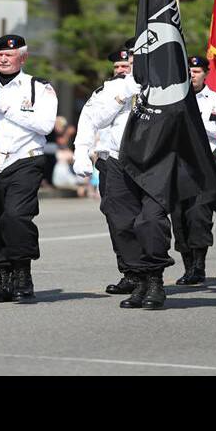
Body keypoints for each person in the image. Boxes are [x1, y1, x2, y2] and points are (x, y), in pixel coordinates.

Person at [0, 35, 58, 303]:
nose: (2, 59)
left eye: (8, 55)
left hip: (24, 160)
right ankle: (4, 278)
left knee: (15, 217)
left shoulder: (38, 87)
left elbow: (45, 125)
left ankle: (23, 272)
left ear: (22, 58)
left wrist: (4, 107)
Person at [74, 41, 137, 295]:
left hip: (149, 163)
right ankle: (130, 272)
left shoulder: (157, 84)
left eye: (128, 63)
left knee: (147, 220)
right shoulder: (107, 90)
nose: (123, 68)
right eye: (119, 65)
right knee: (118, 219)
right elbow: (91, 120)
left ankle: (148, 270)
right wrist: (123, 95)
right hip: (112, 160)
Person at [174, 56, 216, 285]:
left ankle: (199, 267)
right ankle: (187, 265)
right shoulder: (173, 100)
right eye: (189, 70)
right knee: (179, 216)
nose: (192, 74)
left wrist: (201, 126)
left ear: (206, 73)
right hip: (178, 163)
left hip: (207, 163)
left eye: (197, 70)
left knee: (199, 214)